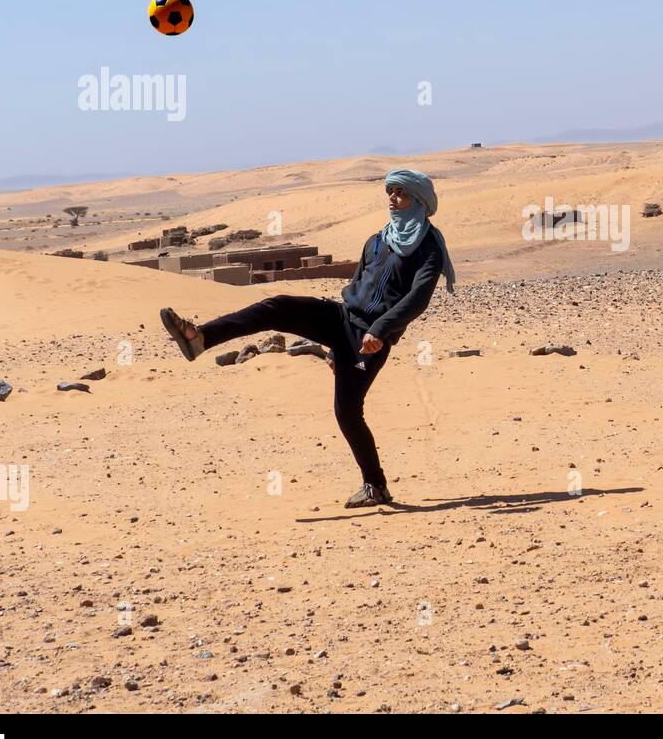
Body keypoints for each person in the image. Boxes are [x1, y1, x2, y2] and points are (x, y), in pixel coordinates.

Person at [159, 168, 455, 509]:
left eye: (400, 193)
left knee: (347, 412)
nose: (392, 198)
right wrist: (332, 342)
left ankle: (376, 486)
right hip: (342, 318)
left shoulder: (429, 246)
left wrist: (380, 329)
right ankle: (201, 338)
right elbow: (358, 285)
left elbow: (418, 298)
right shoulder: (378, 238)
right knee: (277, 306)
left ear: (418, 201)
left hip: (368, 339)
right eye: (390, 191)